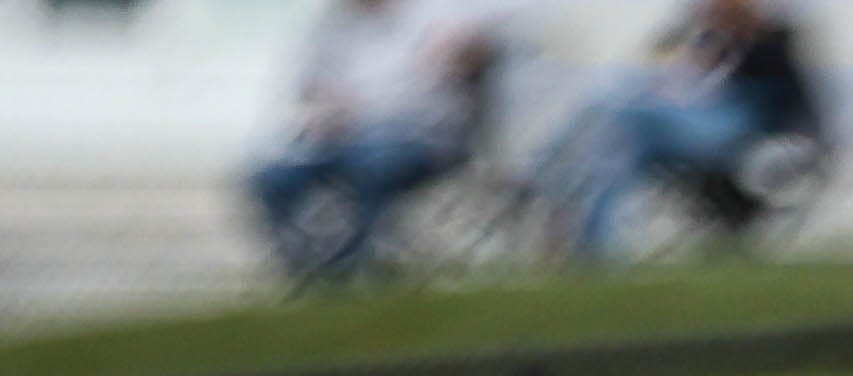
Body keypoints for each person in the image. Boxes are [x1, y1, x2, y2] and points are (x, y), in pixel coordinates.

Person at [246, 0, 510, 282]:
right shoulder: (334, 27)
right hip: (342, 136)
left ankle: (357, 264)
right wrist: (324, 109)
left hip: (419, 137)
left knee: (373, 164)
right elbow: (309, 84)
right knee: (273, 177)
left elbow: (483, 48)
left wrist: (467, 54)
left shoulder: (439, 14)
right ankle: (309, 268)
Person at [539, 0, 823, 260]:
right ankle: (594, 246)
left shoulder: (770, 42)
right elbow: (670, 71)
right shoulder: (709, 39)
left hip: (739, 137)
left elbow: (789, 106)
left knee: (618, 108)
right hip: (687, 132)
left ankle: (542, 173)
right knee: (620, 153)